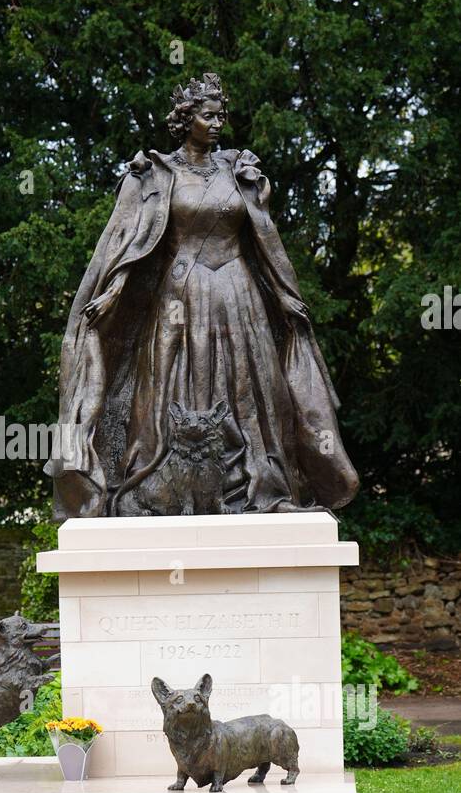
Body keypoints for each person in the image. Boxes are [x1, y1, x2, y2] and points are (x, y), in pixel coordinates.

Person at [45, 70, 359, 518]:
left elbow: (262, 242)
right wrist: (112, 291)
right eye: (208, 116)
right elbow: (126, 242)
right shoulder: (155, 174)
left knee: (255, 387)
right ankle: (170, 491)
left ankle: (260, 486)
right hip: (179, 295)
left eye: (221, 116)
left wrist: (283, 295)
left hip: (239, 292)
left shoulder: (240, 170)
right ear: (186, 119)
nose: (217, 124)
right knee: (171, 388)